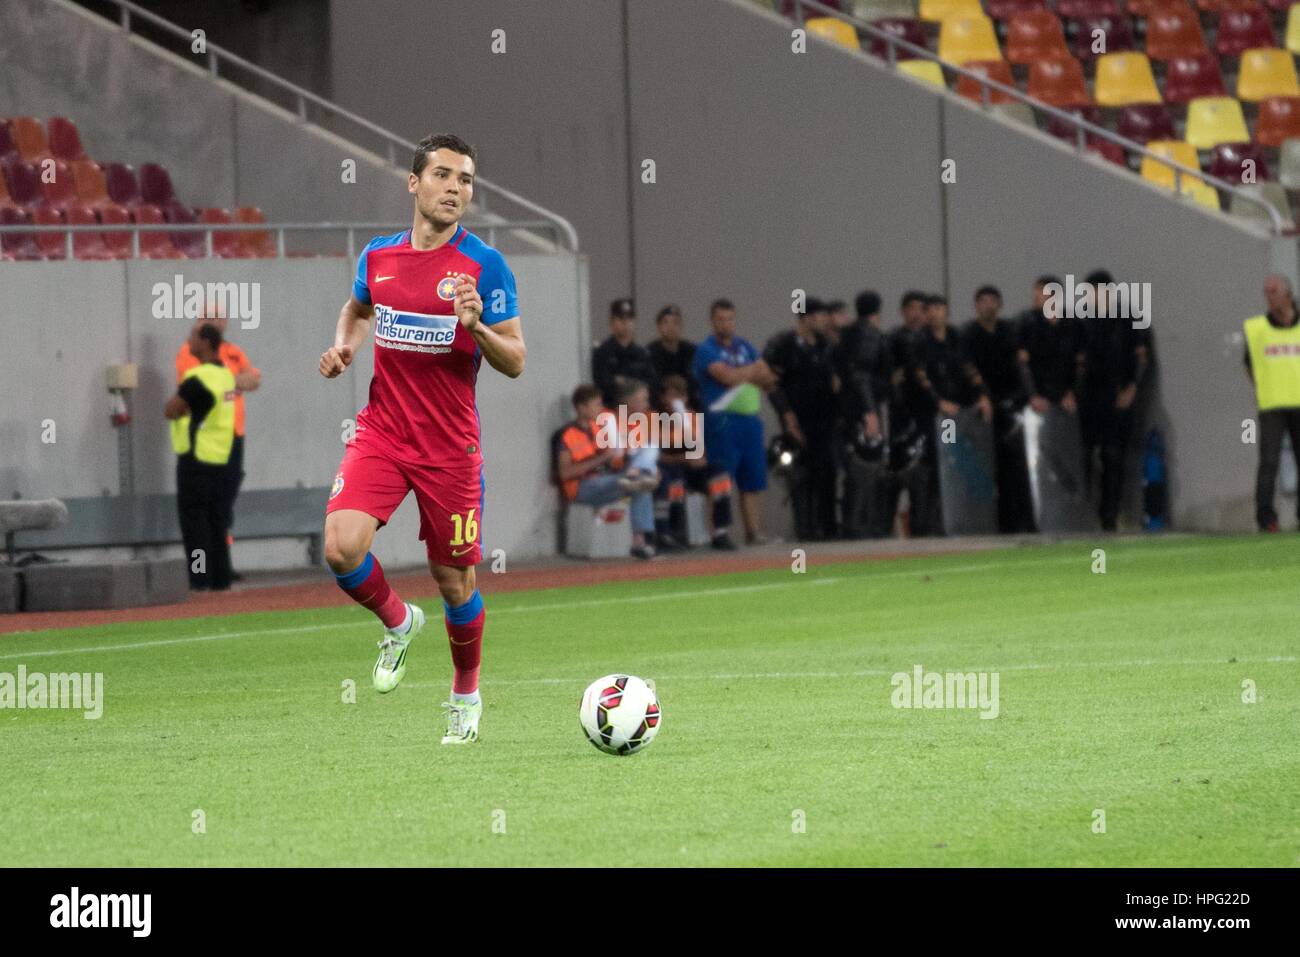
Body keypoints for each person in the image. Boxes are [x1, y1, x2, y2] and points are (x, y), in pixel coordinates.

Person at [318, 133, 525, 745]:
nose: (455, 189)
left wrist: (477, 326)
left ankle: (465, 694)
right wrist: (345, 348)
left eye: (465, 180)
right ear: (414, 183)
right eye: (442, 175)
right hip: (382, 431)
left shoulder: (484, 265)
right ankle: (398, 621)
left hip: (448, 448)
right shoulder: (378, 258)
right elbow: (358, 309)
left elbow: (515, 360)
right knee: (339, 548)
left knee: (454, 580)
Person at [175, 305, 260, 578]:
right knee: (204, 509)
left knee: (221, 505)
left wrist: (227, 382)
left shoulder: (232, 352)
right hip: (201, 444)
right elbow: (202, 386)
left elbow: (254, 379)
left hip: (232, 437)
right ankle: (206, 571)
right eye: (208, 318)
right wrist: (232, 382)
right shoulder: (191, 353)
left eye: (218, 318)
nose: (213, 322)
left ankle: (220, 569)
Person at [695, 298, 777, 545]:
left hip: (749, 420)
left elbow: (769, 378)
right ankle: (719, 531)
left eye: (729, 319)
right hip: (722, 420)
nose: (725, 324)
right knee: (722, 477)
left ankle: (754, 531)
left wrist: (744, 373)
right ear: (712, 321)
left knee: (752, 477)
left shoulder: (744, 346)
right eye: (720, 319)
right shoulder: (706, 349)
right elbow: (727, 377)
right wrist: (751, 371)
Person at [165, 322, 236, 592]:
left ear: (206, 342)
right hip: (221, 458)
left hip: (196, 459)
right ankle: (221, 579)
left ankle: (199, 578)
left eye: (193, 338)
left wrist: (181, 411)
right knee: (218, 521)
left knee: (194, 523)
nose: (188, 342)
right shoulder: (226, 376)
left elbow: (171, 410)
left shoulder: (198, 378)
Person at [1078, 270, 1150, 531]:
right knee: (1083, 457)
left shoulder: (1128, 317)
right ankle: (1082, 515)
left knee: (1114, 456)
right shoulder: (1082, 319)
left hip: (1117, 395)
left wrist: (1131, 389)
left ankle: (1109, 516)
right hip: (1088, 397)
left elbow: (1141, 358)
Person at [913, 294, 991, 535]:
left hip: (962, 413)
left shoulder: (957, 338)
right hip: (938, 418)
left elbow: (970, 369)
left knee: (962, 462)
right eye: (931, 309)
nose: (936, 313)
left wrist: (982, 395)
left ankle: (967, 518)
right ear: (925, 315)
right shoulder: (919, 342)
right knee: (940, 464)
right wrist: (939, 402)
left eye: (940, 308)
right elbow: (921, 377)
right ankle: (934, 525)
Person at [763, 298, 839, 540]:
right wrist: (787, 415)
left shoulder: (825, 345)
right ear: (805, 318)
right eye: (819, 316)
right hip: (798, 419)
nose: (824, 321)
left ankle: (826, 527)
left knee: (827, 472)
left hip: (824, 420)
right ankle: (804, 528)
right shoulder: (784, 345)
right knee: (800, 474)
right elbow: (771, 384)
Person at [556, 382, 660, 559]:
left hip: (606, 480)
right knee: (639, 484)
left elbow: (623, 453)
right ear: (581, 407)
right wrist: (603, 458)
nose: (600, 408)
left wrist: (645, 465)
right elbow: (565, 473)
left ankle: (639, 542)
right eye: (596, 404)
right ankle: (640, 541)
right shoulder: (568, 434)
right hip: (582, 487)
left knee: (646, 461)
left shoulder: (600, 428)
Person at [963, 285, 1035, 533]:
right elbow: (967, 369)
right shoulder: (968, 335)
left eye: (993, 300)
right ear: (976, 306)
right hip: (981, 409)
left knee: (1015, 467)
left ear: (1000, 305)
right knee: (982, 464)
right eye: (983, 301)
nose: (988, 305)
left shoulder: (1009, 331)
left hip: (1009, 406)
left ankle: (1019, 521)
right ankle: (984, 522)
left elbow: (1020, 368)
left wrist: (1019, 399)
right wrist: (981, 396)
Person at [652, 374, 737, 550]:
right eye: (671, 396)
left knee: (719, 475)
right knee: (674, 482)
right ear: (663, 398)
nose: (675, 400)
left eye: (679, 396)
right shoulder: (654, 419)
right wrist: (680, 459)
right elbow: (653, 454)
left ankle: (720, 532)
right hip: (668, 466)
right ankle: (672, 533)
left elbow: (700, 450)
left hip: (690, 466)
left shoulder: (691, 417)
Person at [833, 289, 892, 537]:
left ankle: (855, 522)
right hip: (862, 408)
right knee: (867, 462)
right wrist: (870, 411)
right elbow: (862, 374)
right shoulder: (868, 334)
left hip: (847, 407)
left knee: (859, 461)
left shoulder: (846, 335)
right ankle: (859, 523)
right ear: (877, 310)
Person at [1243, 274, 1300, 532]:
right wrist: (1261, 388)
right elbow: (1250, 364)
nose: (1269, 296)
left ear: (1288, 294)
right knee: (1268, 462)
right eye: (1267, 292)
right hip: (1272, 404)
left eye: (1274, 291)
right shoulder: (1257, 329)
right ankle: (1266, 518)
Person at [592, 297, 657, 407]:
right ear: (612, 322)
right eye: (621, 319)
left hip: (639, 410)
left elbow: (653, 383)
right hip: (612, 408)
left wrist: (624, 381)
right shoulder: (603, 352)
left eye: (629, 319)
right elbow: (602, 383)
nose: (625, 323)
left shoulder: (642, 353)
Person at [647, 304, 699, 409]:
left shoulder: (691, 351)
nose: (671, 327)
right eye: (666, 322)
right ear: (659, 326)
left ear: (681, 326)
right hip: (660, 408)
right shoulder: (650, 353)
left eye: (675, 322)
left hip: (688, 406)